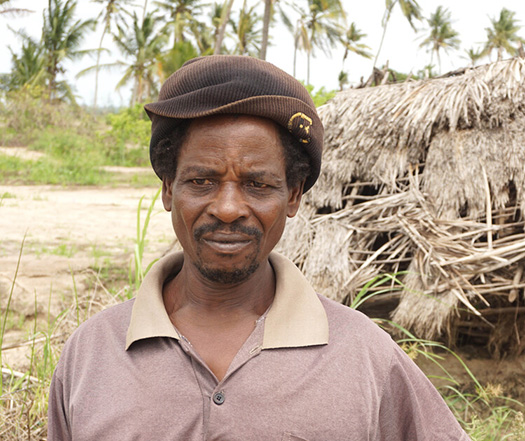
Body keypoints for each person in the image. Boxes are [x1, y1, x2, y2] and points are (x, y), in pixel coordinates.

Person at [48, 55, 469, 440]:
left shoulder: (362, 354)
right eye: (201, 181)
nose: (228, 209)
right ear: (167, 189)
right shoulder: (92, 354)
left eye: (257, 184)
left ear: (293, 196)